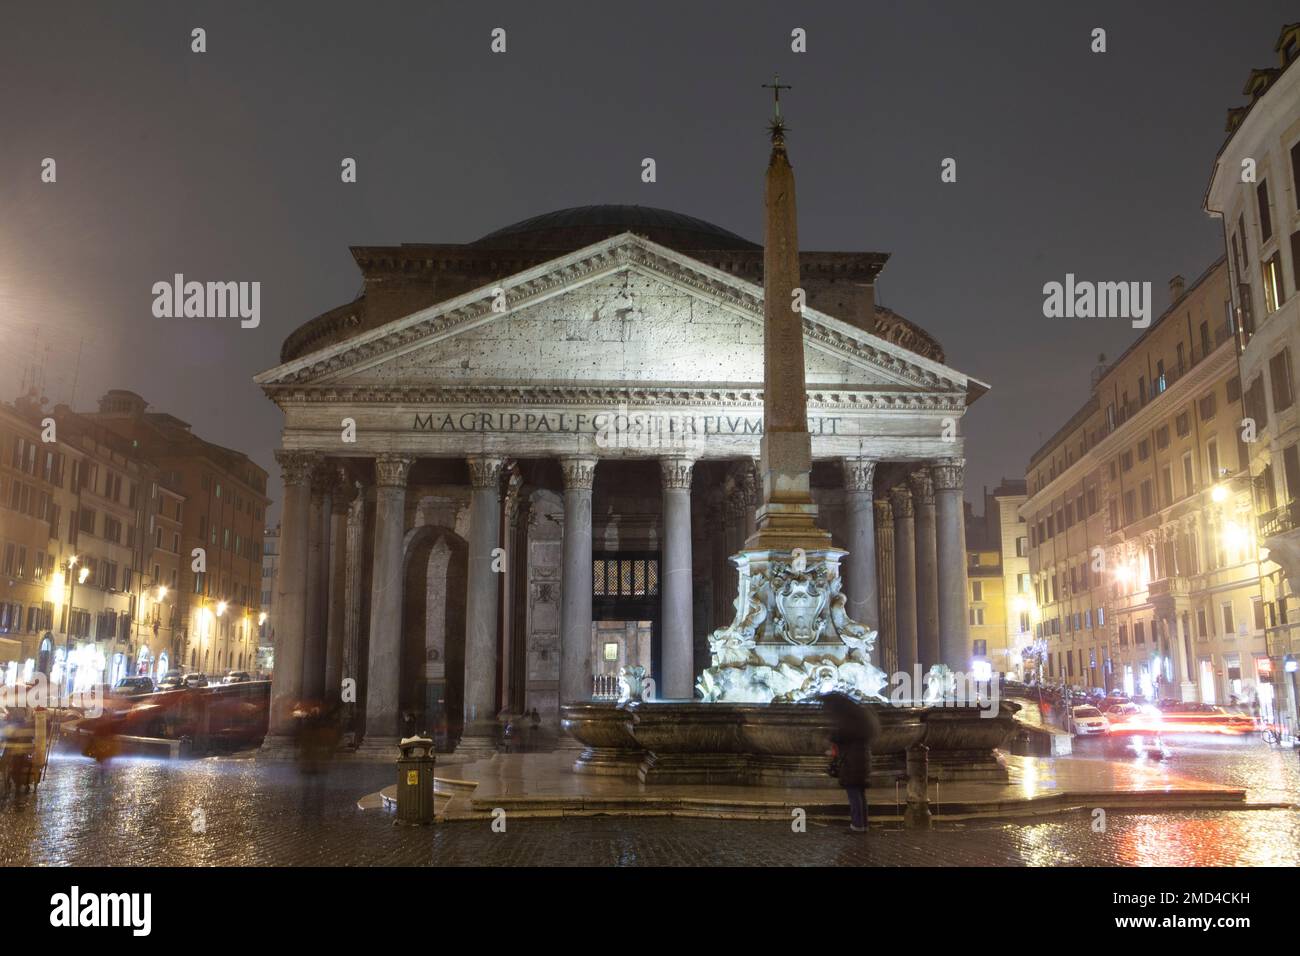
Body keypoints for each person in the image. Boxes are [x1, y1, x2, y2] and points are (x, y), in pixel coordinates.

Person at [822, 692, 879, 833]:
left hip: (852, 761)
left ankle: (857, 825)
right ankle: (862, 824)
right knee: (859, 793)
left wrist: (833, 738)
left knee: (854, 794)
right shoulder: (860, 719)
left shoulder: (849, 722)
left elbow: (842, 735)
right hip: (860, 759)